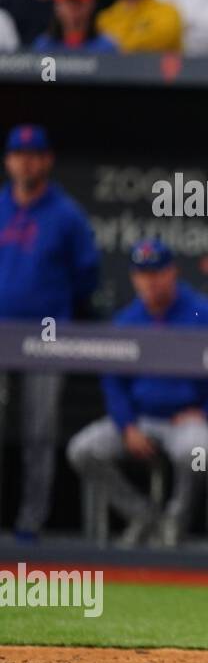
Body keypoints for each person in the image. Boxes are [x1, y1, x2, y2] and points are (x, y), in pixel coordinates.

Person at [67, 239, 208, 546]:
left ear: (172, 272)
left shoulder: (204, 314)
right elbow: (113, 381)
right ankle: (141, 514)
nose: (149, 281)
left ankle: (175, 519)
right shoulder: (127, 321)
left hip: (186, 420)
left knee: (195, 453)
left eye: (156, 272)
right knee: (82, 450)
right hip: (140, 419)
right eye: (142, 274)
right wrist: (127, 425)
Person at [0, 124, 100, 543]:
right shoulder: (1, 204)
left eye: (34, 154)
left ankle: (30, 522)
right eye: (19, 154)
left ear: (47, 161)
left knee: (39, 433)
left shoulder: (66, 214)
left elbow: (86, 277)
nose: (26, 162)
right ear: (8, 161)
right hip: (2, 332)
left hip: (45, 336)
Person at [32, 0, 118, 51]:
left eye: (79, 2)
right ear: (57, 6)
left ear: (91, 4)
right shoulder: (43, 46)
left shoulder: (106, 48)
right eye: (68, 2)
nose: (73, 8)